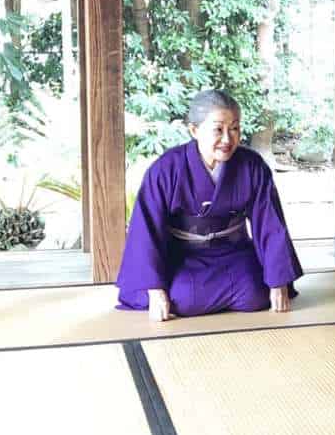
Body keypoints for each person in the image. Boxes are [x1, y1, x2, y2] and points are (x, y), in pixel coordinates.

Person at [116, 89, 303, 322]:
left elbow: (270, 223)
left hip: (232, 252)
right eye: (218, 129)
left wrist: (278, 282)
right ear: (194, 130)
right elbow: (146, 230)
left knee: (256, 293)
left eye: (234, 128)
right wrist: (156, 292)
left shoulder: (251, 166)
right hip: (183, 255)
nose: (227, 139)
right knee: (181, 296)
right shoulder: (166, 168)